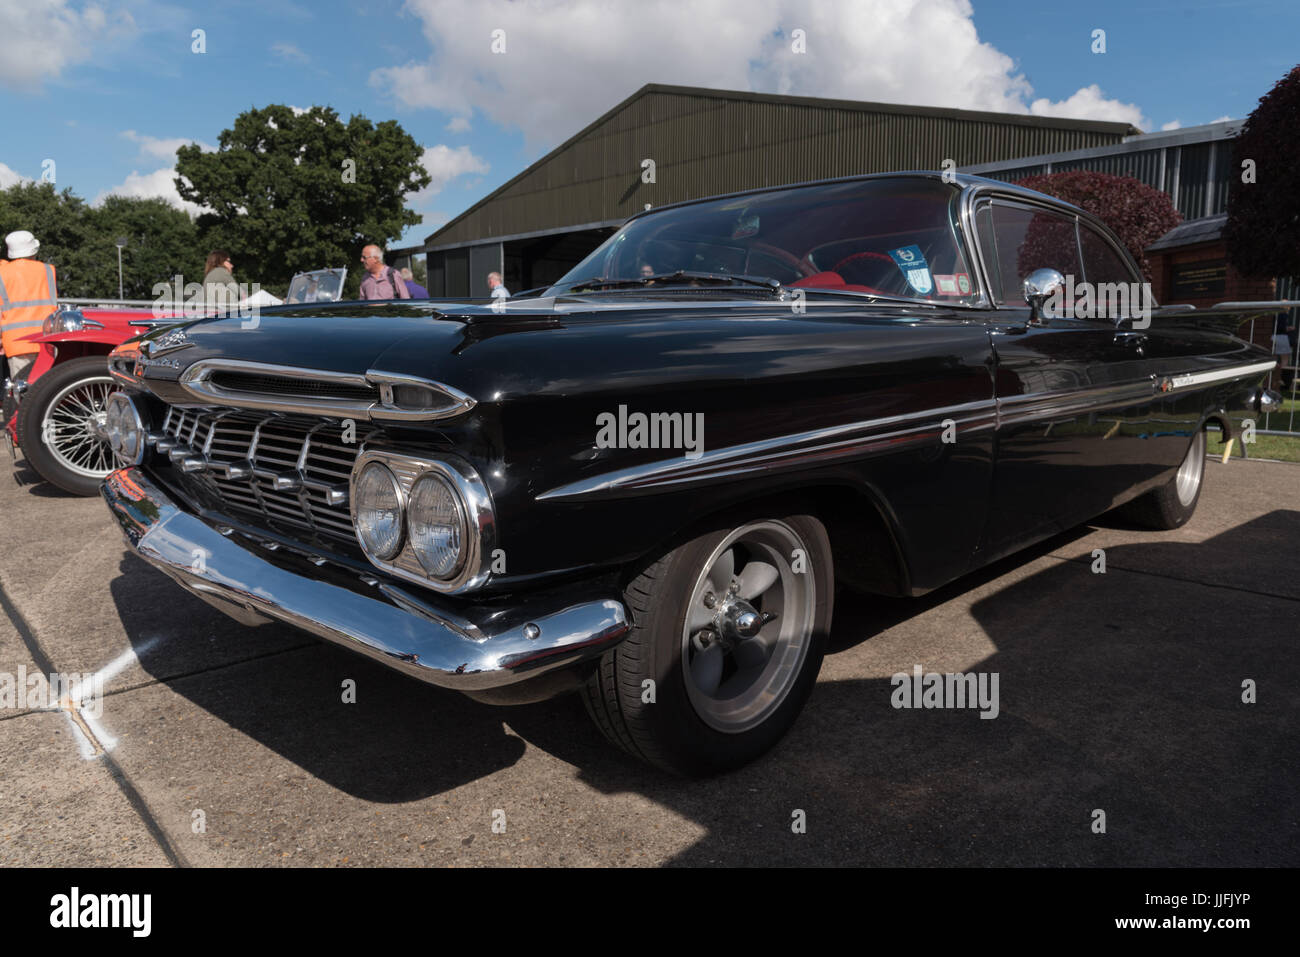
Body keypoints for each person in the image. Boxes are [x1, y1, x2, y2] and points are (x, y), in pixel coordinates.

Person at [0, 230, 58, 382]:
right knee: (44, 390)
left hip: (16, 343)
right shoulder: (48, 270)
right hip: (47, 339)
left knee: (22, 392)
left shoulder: (3, 272)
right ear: (34, 250)